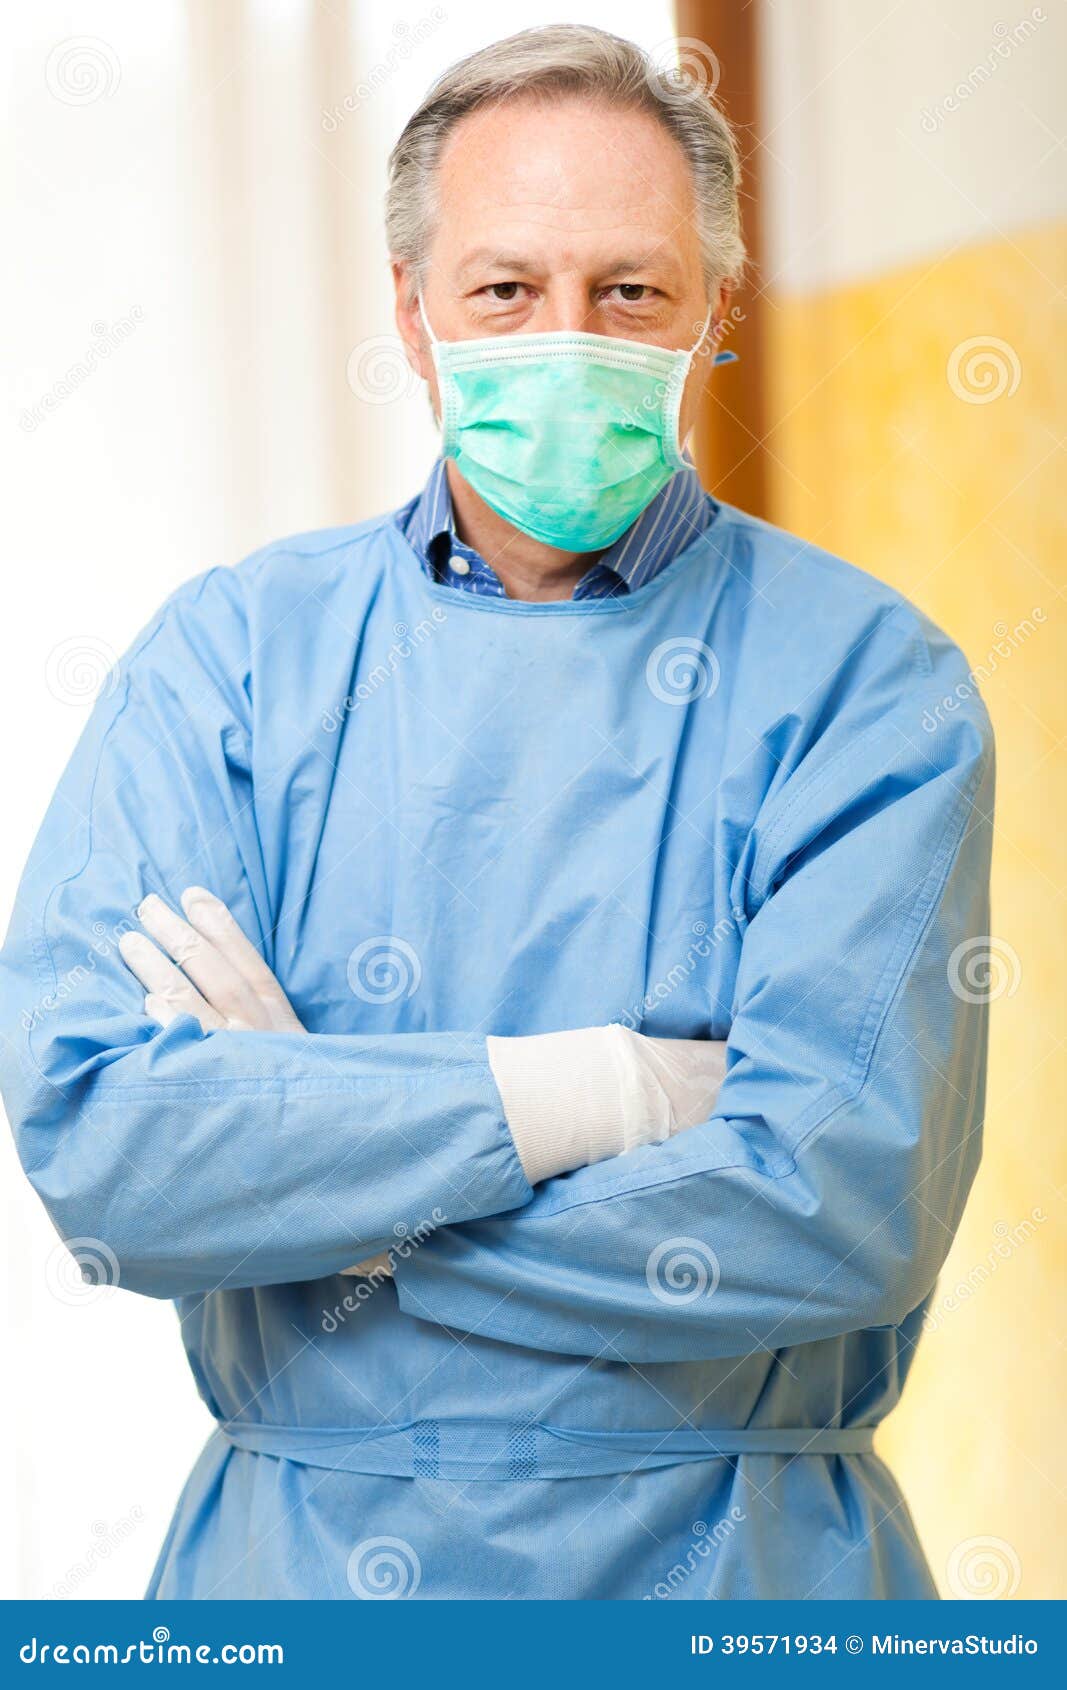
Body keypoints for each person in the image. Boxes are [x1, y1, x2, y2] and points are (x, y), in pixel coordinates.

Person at [0, 25, 993, 1600]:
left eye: (631, 292)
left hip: (740, 1582)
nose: (569, 337)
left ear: (715, 310)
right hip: (302, 1585)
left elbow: (832, 1205)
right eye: (506, 290)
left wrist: (320, 1174)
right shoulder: (232, 663)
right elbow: (107, 1151)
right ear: (413, 311)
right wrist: (594, 1093)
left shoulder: (867, 685)